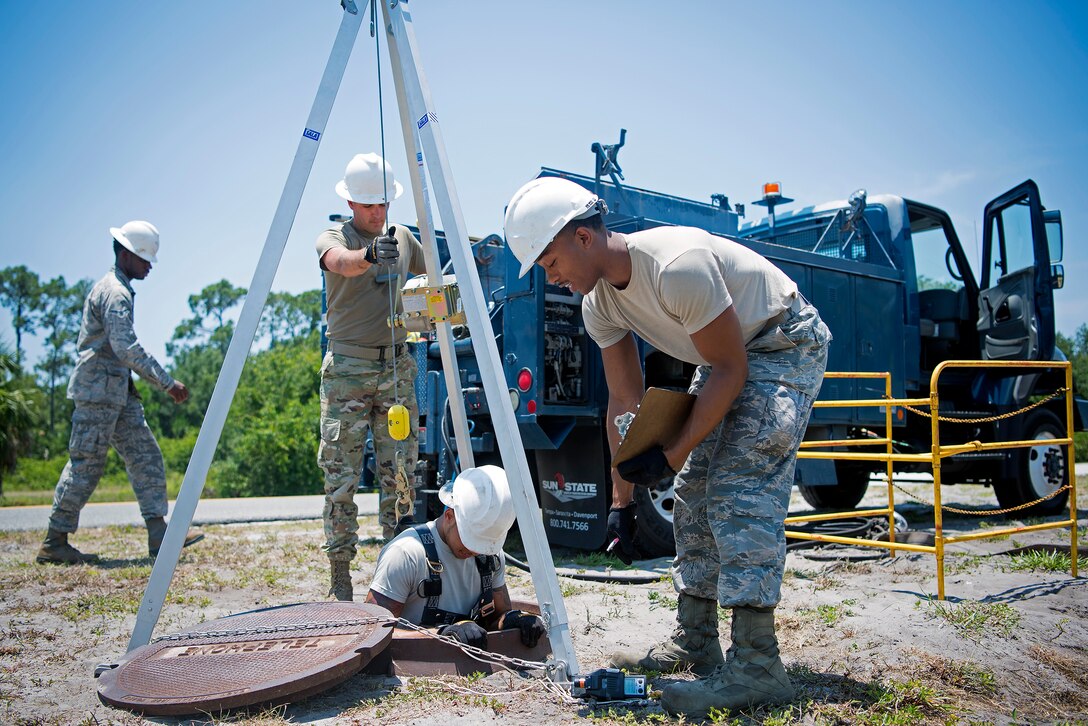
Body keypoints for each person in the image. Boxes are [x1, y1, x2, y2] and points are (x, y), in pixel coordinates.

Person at [504, 177, 831, 717]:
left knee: (737, 483)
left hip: (780, 342)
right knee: (694, 490)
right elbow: (626, 404)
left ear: (583, 238)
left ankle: (757, 665)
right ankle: (697, 639)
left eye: (550, 261)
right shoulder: (599, 305)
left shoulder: (676, 265)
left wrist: (673, 453)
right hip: (725, 358)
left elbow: (733, 368)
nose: (552, 277)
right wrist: (620, 500)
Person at [37, 221, 203, 565]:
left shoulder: (119, 288)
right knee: (86, 466)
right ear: (126, 255)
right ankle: (55, 540)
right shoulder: (115, 292)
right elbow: (125, 347)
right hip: (98, 394)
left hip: (118, 394)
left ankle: (159, 535)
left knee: (146, 456)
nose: (149, 267)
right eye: (144, 260)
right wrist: (167, 382)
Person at [317, 152, 427, 602]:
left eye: (383, 204)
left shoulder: (403, 238)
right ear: (350, 203)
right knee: (340, 475)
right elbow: (339, 262)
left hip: (396, 368)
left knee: (400, 471)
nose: (377, 213)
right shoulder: (333, 236)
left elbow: (432, 273)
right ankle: (340, 575)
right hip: (347, 370)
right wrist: (366, 255)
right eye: (368, 205)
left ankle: (392, 572)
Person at [365, 465, 547, 650]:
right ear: (450, 516)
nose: (476, 551)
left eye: (484, 543)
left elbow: (495, 617)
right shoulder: (405, 554)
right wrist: (442, 633)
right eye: (472, 539)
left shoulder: (491, 556)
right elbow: (372, 632)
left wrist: (512, 620)